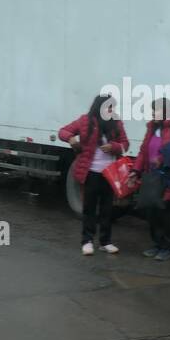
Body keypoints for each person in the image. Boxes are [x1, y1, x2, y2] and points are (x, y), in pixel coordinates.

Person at [59, 94, 130, 255]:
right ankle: (87, 241)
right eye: (108, 107)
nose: (111, 110)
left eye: (112, 107)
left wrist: (113, 146)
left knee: (107, 209)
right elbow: (63, 131)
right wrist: (71, 139)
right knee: (89, 208)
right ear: (99, 107)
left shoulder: (116, 123)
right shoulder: (85, 121)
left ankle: (105, 242)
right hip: (90, 172)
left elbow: (125, 144)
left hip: (110, 174)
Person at [133, 97, 170, 261]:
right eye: (152, 110)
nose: (153, 113)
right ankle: (157, 245)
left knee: (168, 215)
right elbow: (143, 152)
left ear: (166, 111)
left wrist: (164, 158)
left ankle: (168, 248)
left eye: (156, 110)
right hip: (151, 178)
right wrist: (136, 170)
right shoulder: (151, 129)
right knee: (152, 213)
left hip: (169, 179)